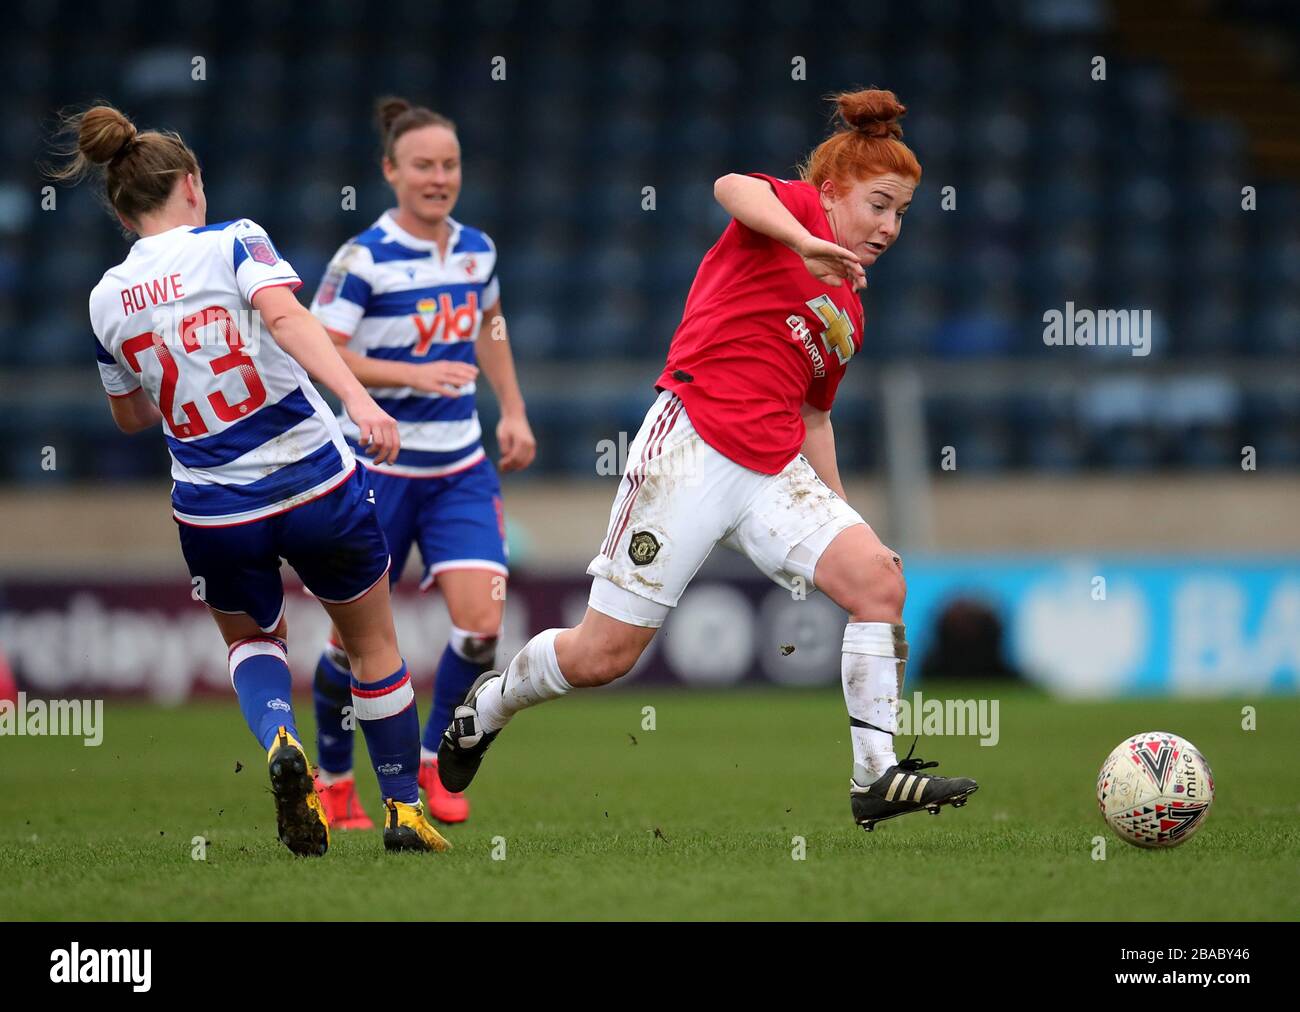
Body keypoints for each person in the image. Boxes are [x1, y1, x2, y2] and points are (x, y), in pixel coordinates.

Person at [437, 89, 978, 832]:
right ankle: (487, 706)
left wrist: (842, 510)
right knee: (604, 657)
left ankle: (874, 778)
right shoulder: (786, 218)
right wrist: (802, 238)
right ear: (830, 193)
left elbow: (814, 413)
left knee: (879, 580)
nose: (889, 226)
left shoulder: (849, 305)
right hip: (691, 448)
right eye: (880, 204)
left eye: (902, 213)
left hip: (773, 469)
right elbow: (730, 186)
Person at [56, 103, 451, 855]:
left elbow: (132, 418)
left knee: (252, 643)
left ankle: (278, 740)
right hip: (313, 483)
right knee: (372, 645)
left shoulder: (106, 298)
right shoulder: (235, 240)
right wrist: (359, 399)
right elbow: (289, 319)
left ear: (120, 209)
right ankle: (402, 809)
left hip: (213, 510)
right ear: (193, 186)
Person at [308, 97, 535, 828]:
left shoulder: (477, 248)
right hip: (374, 469)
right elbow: (321, 352)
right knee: (354, 646)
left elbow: (490, 325)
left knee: (479, 628)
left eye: (450, 165)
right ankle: (336, 777)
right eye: (424, 165)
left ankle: (437, 764)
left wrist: (514, 408)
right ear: (390, 171)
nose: (439, 178)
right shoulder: (362, 258)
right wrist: (409, 376)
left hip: (459, 468)